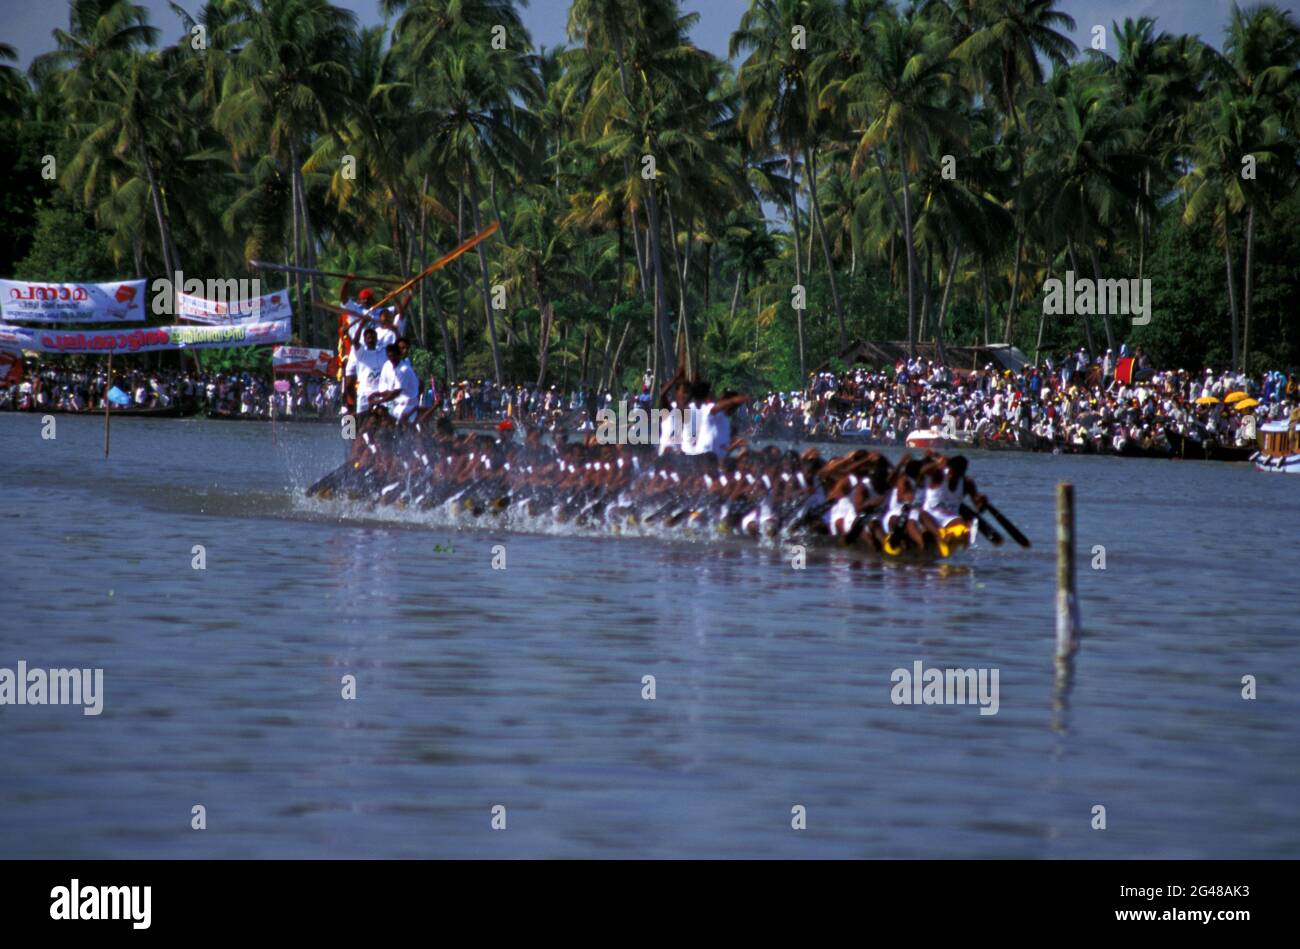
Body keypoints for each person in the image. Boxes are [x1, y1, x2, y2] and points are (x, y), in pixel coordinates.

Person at [370, 342, 420, 424]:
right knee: (372, 420)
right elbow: (385, 389)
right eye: (390, 356)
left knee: (389, 424)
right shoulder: (387, 365)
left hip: (409, 406)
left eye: (394, 356)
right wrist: (377, 394)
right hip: (395, 404)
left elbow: (396, 393)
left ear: (399, 355)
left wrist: (378, 401)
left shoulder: (403, 369)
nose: (392, 358)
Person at [345, 325, 389, 416]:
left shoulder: (383, 353)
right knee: (362, 418)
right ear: (364, 340)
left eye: (373, 337)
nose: (371, 339)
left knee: (381, 417)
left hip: (380, 392)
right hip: (364, 393)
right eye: (368, 337)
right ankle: (353, 427)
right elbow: (355, 341)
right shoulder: (361, 353)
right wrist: (362, 324)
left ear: (377, 339)